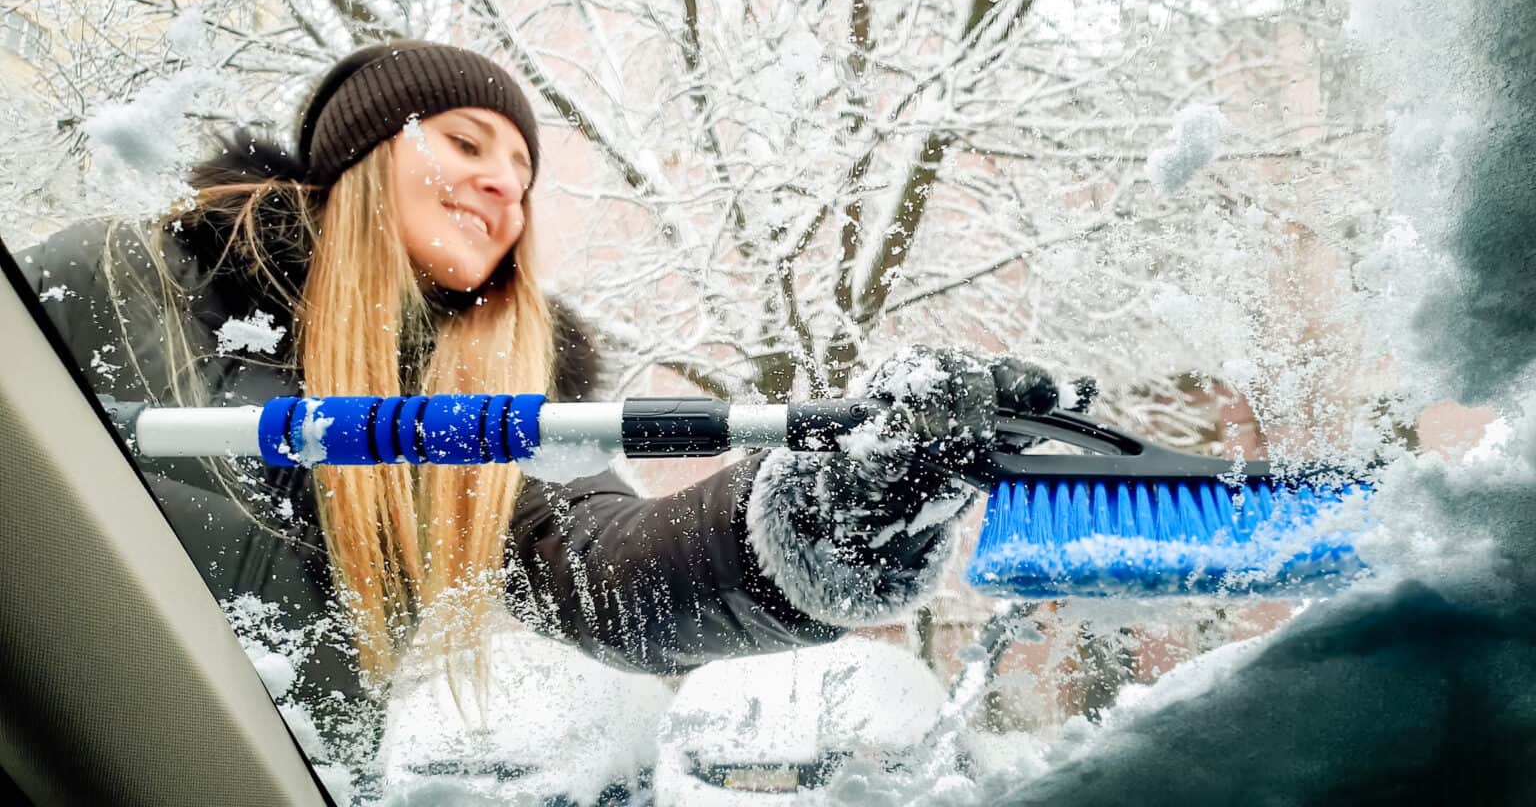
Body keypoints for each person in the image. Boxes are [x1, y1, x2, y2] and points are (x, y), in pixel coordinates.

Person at [17, 41, 1061, 734]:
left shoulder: (492, 408)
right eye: (466, 143)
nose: (503, 186)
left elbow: (608, 573)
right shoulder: (121, 275)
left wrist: (833, 515)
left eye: (521, 174)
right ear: (360, 160)